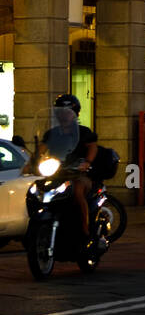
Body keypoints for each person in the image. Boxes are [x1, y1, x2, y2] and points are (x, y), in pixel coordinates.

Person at [42, 96, 98, 244]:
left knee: (77, 191)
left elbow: (92, 147)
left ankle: (85, 229)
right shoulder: (52, 133)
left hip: (78, 174)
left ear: (75, 113)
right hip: (57, 174)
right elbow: (40, 151)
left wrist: (87, 162)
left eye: (68, 112)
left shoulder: (83, 132)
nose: (64, 115)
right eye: (60, 112)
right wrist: (31, 163)